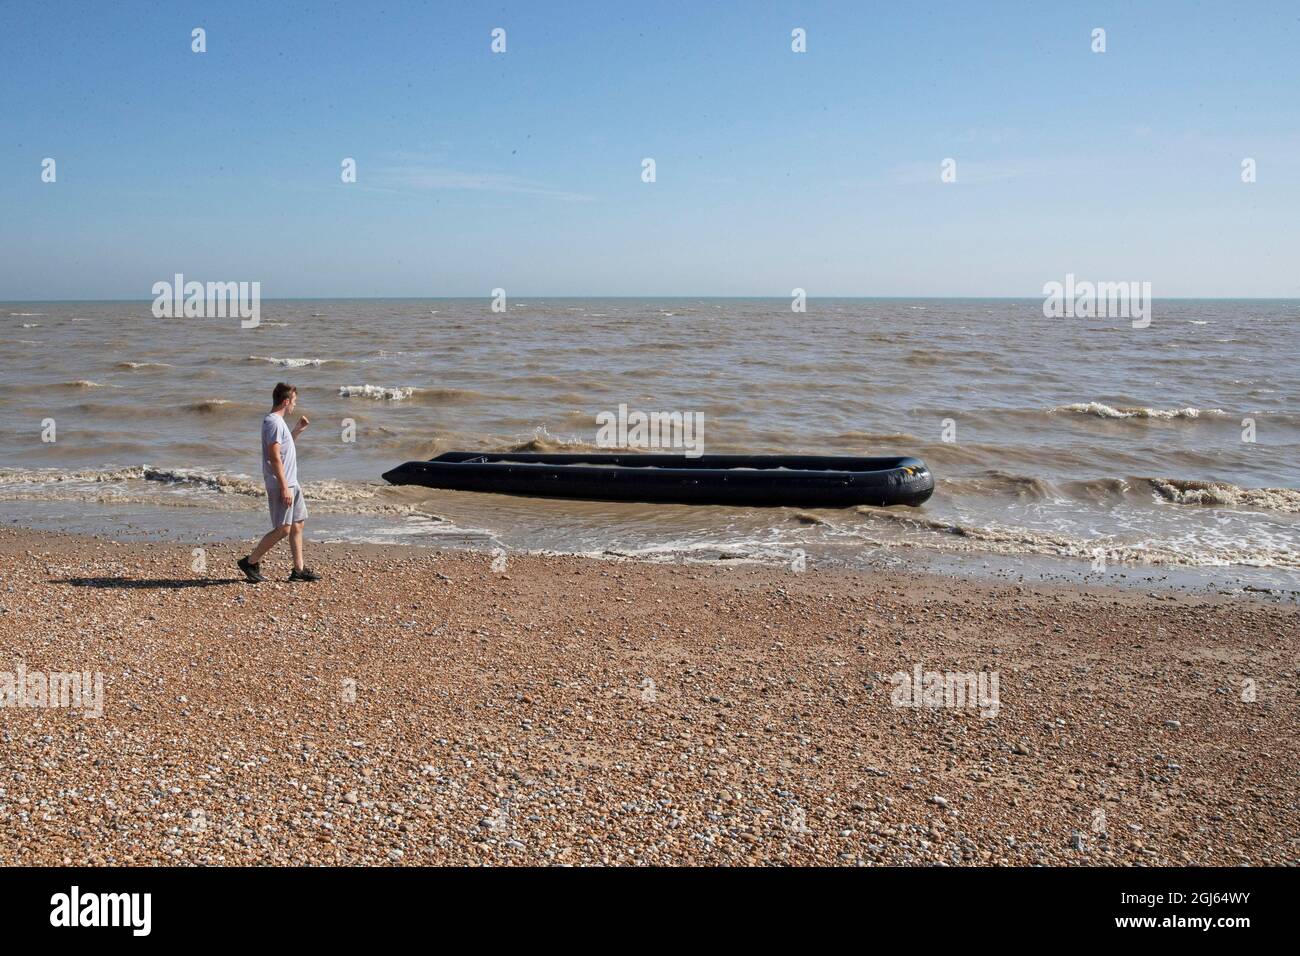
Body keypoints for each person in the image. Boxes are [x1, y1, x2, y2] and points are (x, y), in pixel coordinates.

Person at [237, 382, 321, 583]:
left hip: (292, 481)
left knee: (298, 524)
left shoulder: (278, 422)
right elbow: (274, 455)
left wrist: (297, 431)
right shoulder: (273, 422)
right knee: (283, 528)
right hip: (283, 483)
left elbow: (283, 448)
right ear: (286, 401)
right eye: (294, 402)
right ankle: (250, 562)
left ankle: (298, 570)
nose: (294, 406)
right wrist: (284, 486)